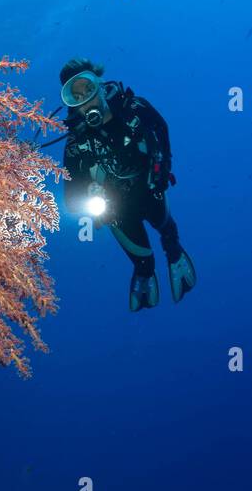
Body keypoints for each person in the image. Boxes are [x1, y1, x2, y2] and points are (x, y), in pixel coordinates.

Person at [59, 58, 196, 311]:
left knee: (166, 230)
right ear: (71, 104)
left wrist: (163, 169)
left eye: (88, 89)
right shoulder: (76, 143)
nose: (86, 99)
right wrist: (89, 194)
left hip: (149, 188)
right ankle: (145, 275)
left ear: (100, 85)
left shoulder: (134, 108)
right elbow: (70, 198)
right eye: (75, 96)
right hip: (116, 208)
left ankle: (175, 254)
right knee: (142, 260)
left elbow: (161, 128)